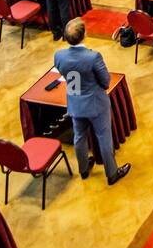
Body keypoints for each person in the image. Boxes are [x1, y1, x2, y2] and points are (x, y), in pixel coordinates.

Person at [54, 18, 131, 185]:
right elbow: (105, 81)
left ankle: (83, 170)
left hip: (74, 102)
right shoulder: (93, 57)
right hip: (95, 104)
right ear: (84, 35)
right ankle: (111, 173)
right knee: (104, 137)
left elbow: (65, 74)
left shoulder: (59, 55)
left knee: (79, 136)